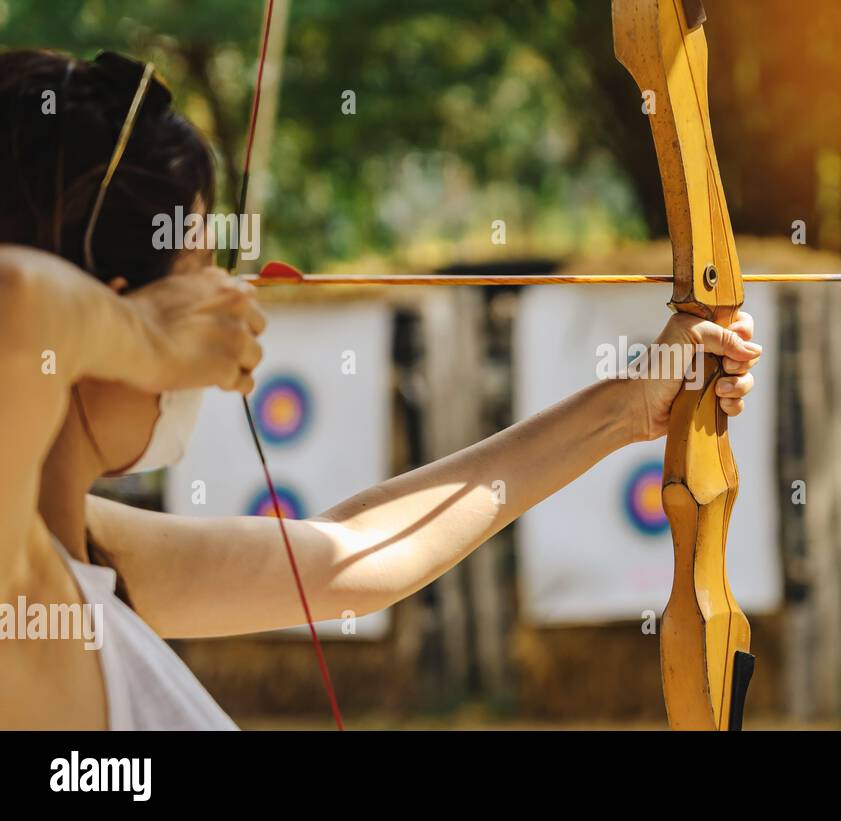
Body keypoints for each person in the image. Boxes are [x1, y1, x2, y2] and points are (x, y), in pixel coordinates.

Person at [0, 50, 761, 729]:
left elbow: (351, 560)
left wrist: (624, 407)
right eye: (193, 282)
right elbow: (16, 305)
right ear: (114, 303)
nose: (215, 318)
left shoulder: (92, 554)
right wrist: (147, 335)